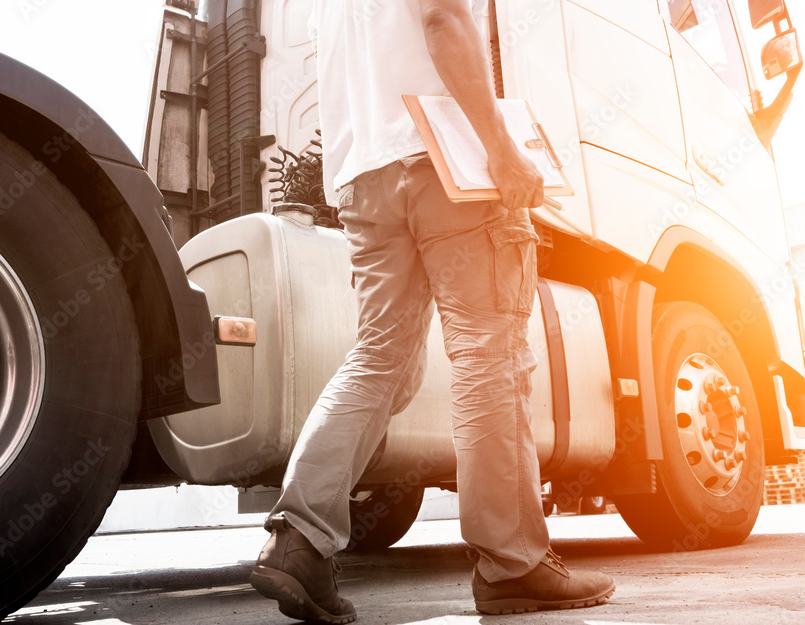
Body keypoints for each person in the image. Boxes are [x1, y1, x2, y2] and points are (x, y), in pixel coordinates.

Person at [249, 0, 615, 622]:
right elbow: (445, 18)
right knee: (488, 357)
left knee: (379, 359)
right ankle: (513, 564)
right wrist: (500, 146)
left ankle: (299, 542)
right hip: (445, 165)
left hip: (362, 179)